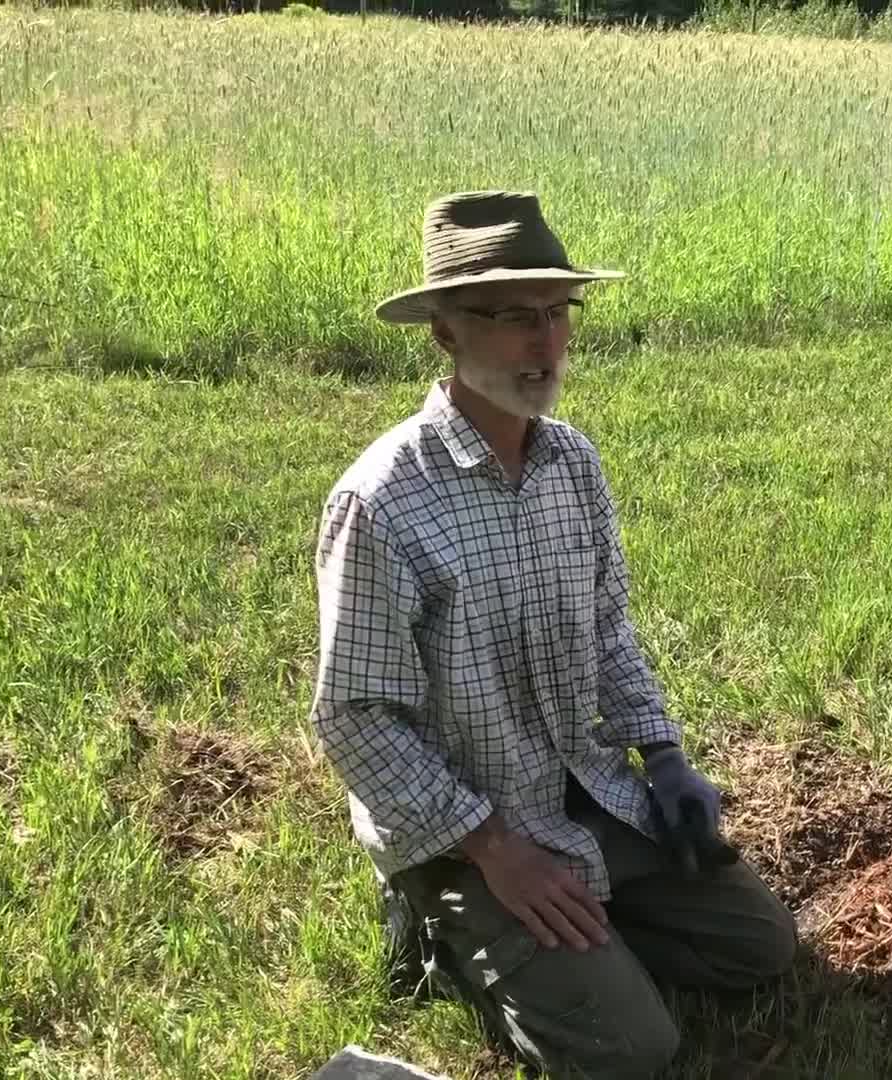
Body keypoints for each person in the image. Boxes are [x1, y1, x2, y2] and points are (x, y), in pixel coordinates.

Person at [308, 191, 796, 1076]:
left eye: (558, 313)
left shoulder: (572, 463)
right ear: (446, 334)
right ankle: (438, 924)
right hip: (466, 828)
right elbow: (356, 718)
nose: (547, 342)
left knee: (759, 949)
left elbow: (609, 630)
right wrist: (496, 851)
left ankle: (583, 940)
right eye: (512, 318)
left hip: (580, 791)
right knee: (632, 1051)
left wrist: (664, 756)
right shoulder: (382, 502)